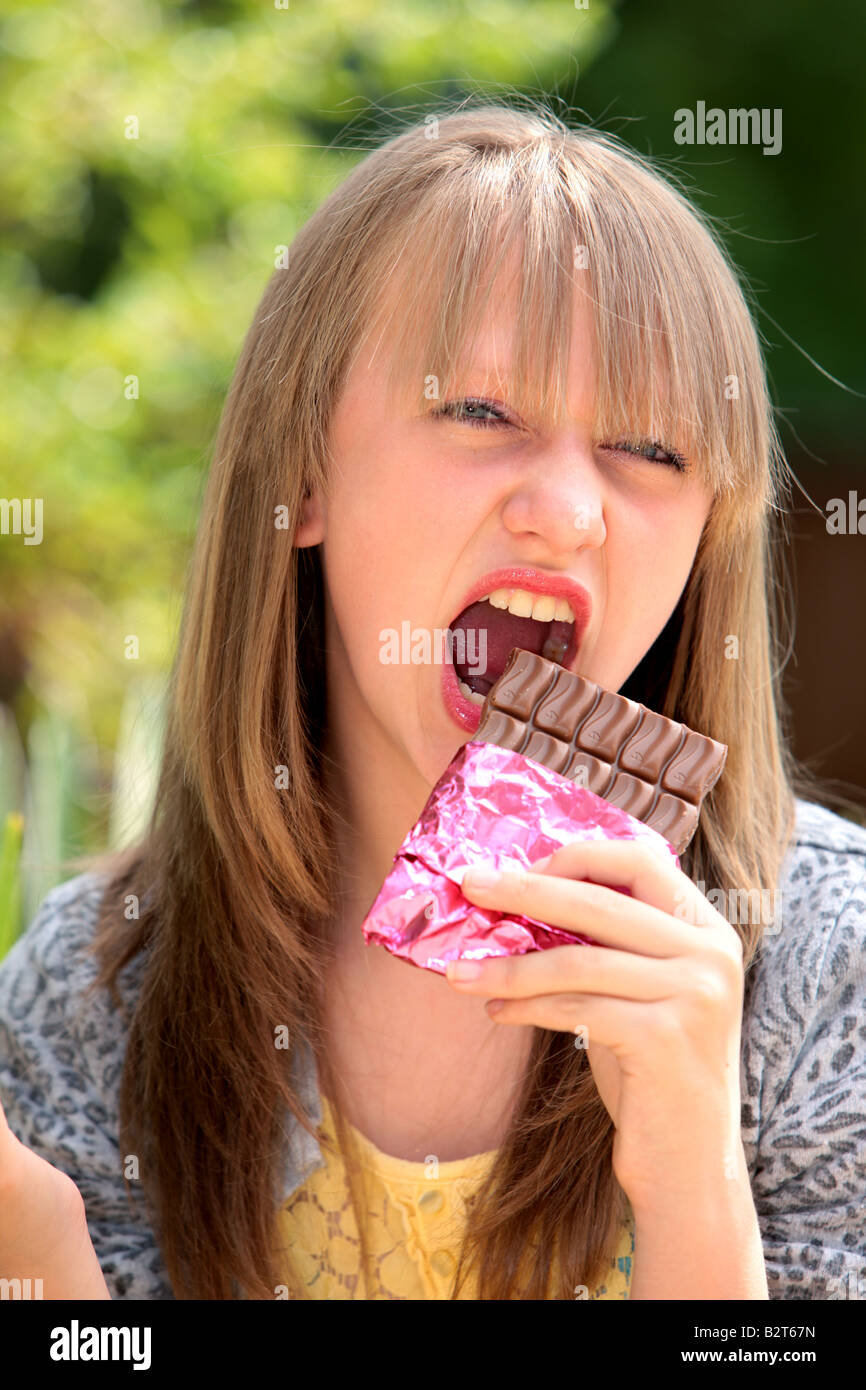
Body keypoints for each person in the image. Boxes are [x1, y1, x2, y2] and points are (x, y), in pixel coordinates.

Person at [1, 101, 864, 1301]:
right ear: (301, 473)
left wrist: (694, 1185)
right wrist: (38, 1252)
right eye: (478, 412)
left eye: (652, 451)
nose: (568, 510)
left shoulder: (829, 961)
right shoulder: (99, 994)